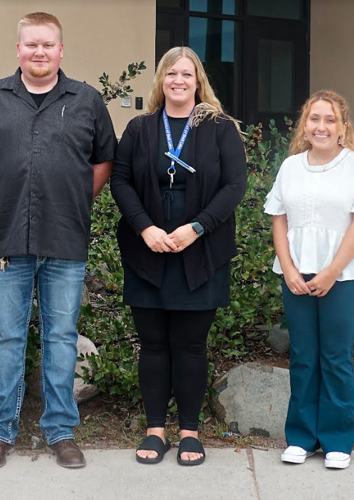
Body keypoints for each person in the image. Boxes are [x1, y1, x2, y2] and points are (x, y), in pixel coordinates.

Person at [0, 12, 117, 469]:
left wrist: (72, 197)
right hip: (6, 236)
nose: (39, 52)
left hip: (65, 236)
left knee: (61, 336)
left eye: (48, 45)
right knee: (7, 336)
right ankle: (0, 431)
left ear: (61, 50)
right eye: (31, 44)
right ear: (18, 49)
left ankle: (60, 430)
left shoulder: (87, 100)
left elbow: (104, 160)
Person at [111, 46, 247, 466]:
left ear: (198, 81)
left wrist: (197, 228)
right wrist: (145, 228)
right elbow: (121, 181)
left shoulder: (220, 127)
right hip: (148, 250)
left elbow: (234, 185)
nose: (179, 81)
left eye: (187, 74)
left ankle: (189, 431)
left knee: (190, 346)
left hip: (200, 251)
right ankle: (155, 430)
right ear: (161, 80)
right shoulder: (139, 127)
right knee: (153, 346)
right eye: (171, 73)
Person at [265, 90, 354, 470]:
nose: (321, 126)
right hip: (296, 271)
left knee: (335, 356)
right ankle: (301, 437)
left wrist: (332, 271)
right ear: (304, 125)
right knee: (303, 355)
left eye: (329, 119)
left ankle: (337, 439)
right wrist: (288, 269)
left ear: (342, 127)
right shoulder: (290, 167)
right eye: (314, 118)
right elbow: (279, 218)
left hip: (345, 274)